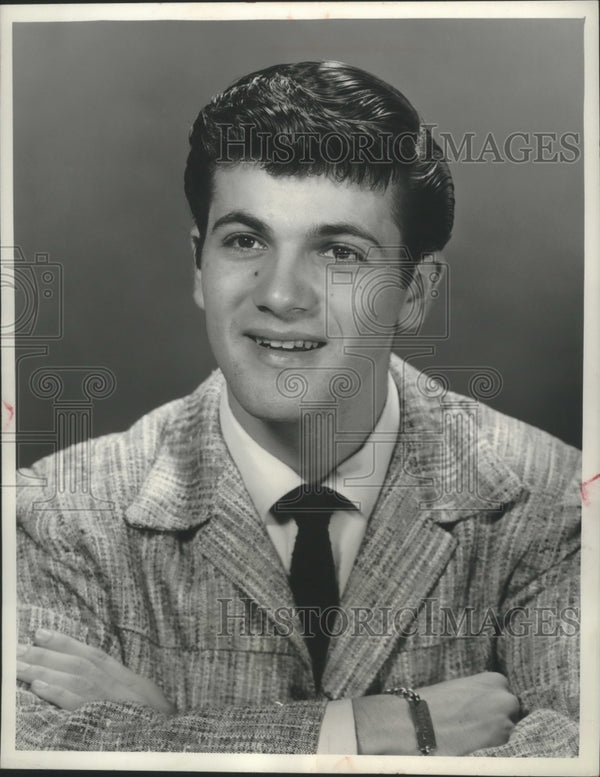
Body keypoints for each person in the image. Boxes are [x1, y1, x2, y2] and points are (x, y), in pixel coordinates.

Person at [16, 61, 580, 756]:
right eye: (245, 241)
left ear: (414, 292)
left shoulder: (557, 503)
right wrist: (376, 727)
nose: (281, 294)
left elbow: (575, 754)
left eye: (339, 252)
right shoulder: (54, 512)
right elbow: (28, 746)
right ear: (200, 267)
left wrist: (159, 733)